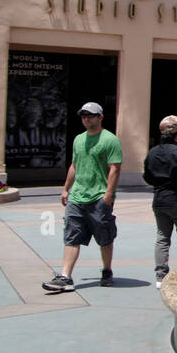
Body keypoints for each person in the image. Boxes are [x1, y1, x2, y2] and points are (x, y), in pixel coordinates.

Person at [42, 102, 123, 292]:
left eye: (90, 115)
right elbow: (74, 165)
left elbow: (115, 168)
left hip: (99, 198)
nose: (86, 118)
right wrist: (66, 189)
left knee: (104, 237)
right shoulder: (78, 139)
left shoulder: (110, 140)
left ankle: (106, 270)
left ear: (100, 117)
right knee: (71, 236)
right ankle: (65, 276)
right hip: (77, 197)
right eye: (83, 115)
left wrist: (108, 195)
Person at [143, 115, 177, 289]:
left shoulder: (152, 152)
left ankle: (160, 275)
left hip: (159, 199)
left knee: (162, 237)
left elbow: (147, 177)